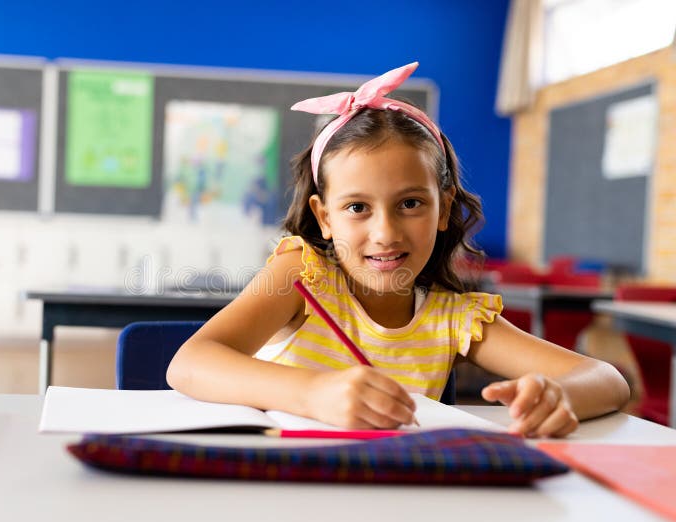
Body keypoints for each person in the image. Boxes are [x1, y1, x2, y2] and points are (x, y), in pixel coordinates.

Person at [167, 62, 629, 438]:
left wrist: (559, 396)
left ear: (443, 209)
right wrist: (313, 393)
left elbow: (608, 380)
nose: (385, 232)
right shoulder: (302, 275)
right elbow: (190, 364)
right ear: (324, 217)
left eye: (410, 203)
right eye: (357, 207)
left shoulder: (454, 319)